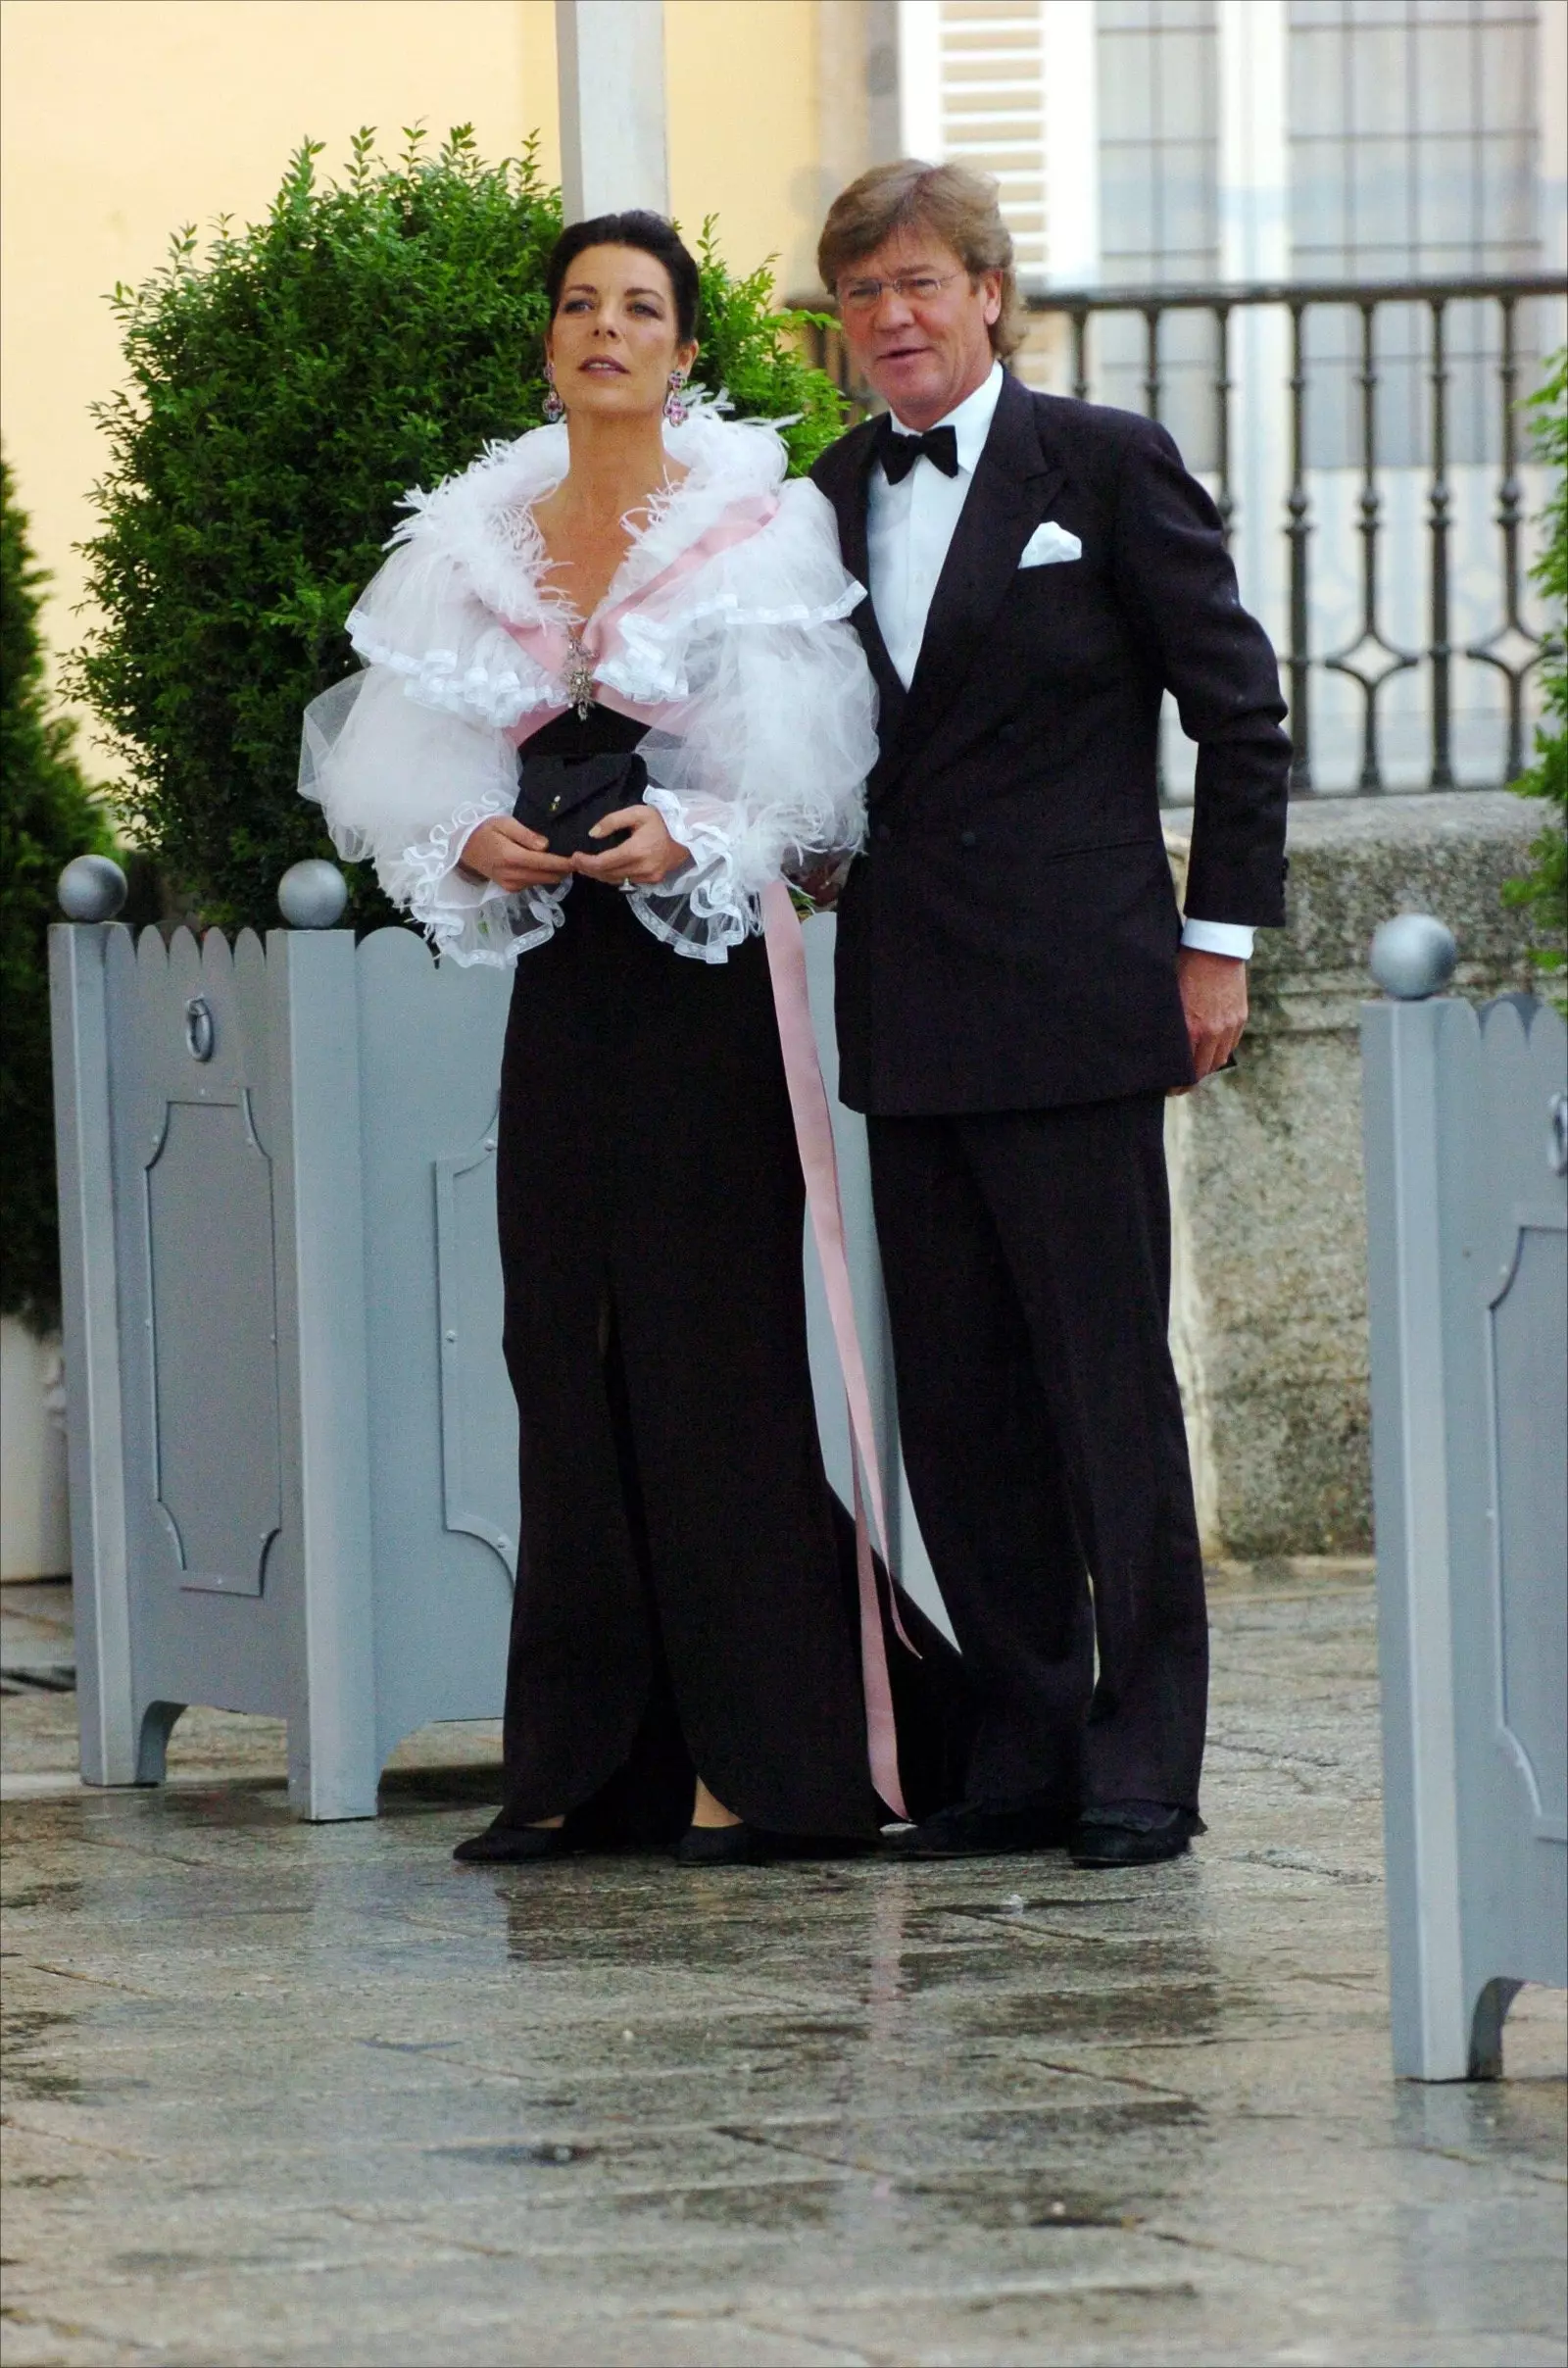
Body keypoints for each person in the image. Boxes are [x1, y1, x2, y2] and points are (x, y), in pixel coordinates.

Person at [301, 212, 958, 1867]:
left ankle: (770, 1760)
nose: (606, 329)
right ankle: (597, 1766)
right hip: (568, 989)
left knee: (713, 1350)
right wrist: (470, 840)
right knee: (564, 1346)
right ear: (550, 344)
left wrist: (691, 833)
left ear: (682, 350)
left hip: (709, 983)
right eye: (580, 305)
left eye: (640, 307)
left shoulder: (751, 527)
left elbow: (814, 776)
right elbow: (396, 764)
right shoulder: (478, 539)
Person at [810, 162, 1291, 1869]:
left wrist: (1216, 946)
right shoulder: (827, 490)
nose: (896, 321)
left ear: (990, 293)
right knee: (960, 1405)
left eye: (923, 284)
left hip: (1084, 998)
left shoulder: (1105, 463)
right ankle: (1016, 1754)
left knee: (1106, 1397)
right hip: (913, 1004)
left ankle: (1145, 1758)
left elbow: (1243, 717)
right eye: (865, 297)